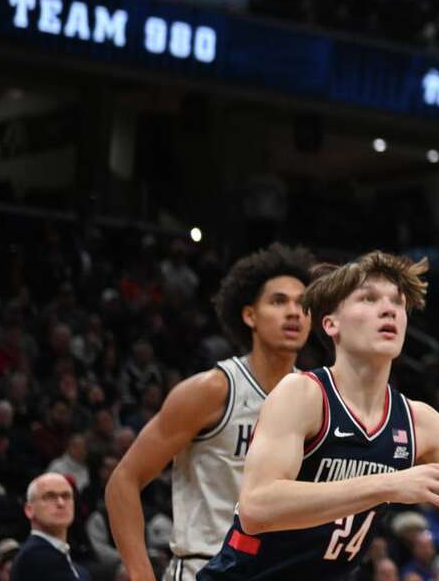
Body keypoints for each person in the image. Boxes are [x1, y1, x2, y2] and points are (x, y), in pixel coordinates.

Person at [194, 252, 439, 581]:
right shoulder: (303, 394)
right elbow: (257, 507)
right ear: (331, 324)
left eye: (397, 302)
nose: (389, 310)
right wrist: (387, 484)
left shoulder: (419, 421)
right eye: (369, 299)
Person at [106, 245, 316, 581]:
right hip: (204, 566)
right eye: (279, 301)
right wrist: (141, 575)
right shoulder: (213, 390)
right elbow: (124, 480)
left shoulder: (315, 399)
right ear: (249, 315)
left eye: (302, 304)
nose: (294, 312)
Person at [9, 475, 84, 581]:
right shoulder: (33, 557)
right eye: (50, 497)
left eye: (66, 496)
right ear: (29, 510)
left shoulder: (78, 569)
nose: (61, 503)